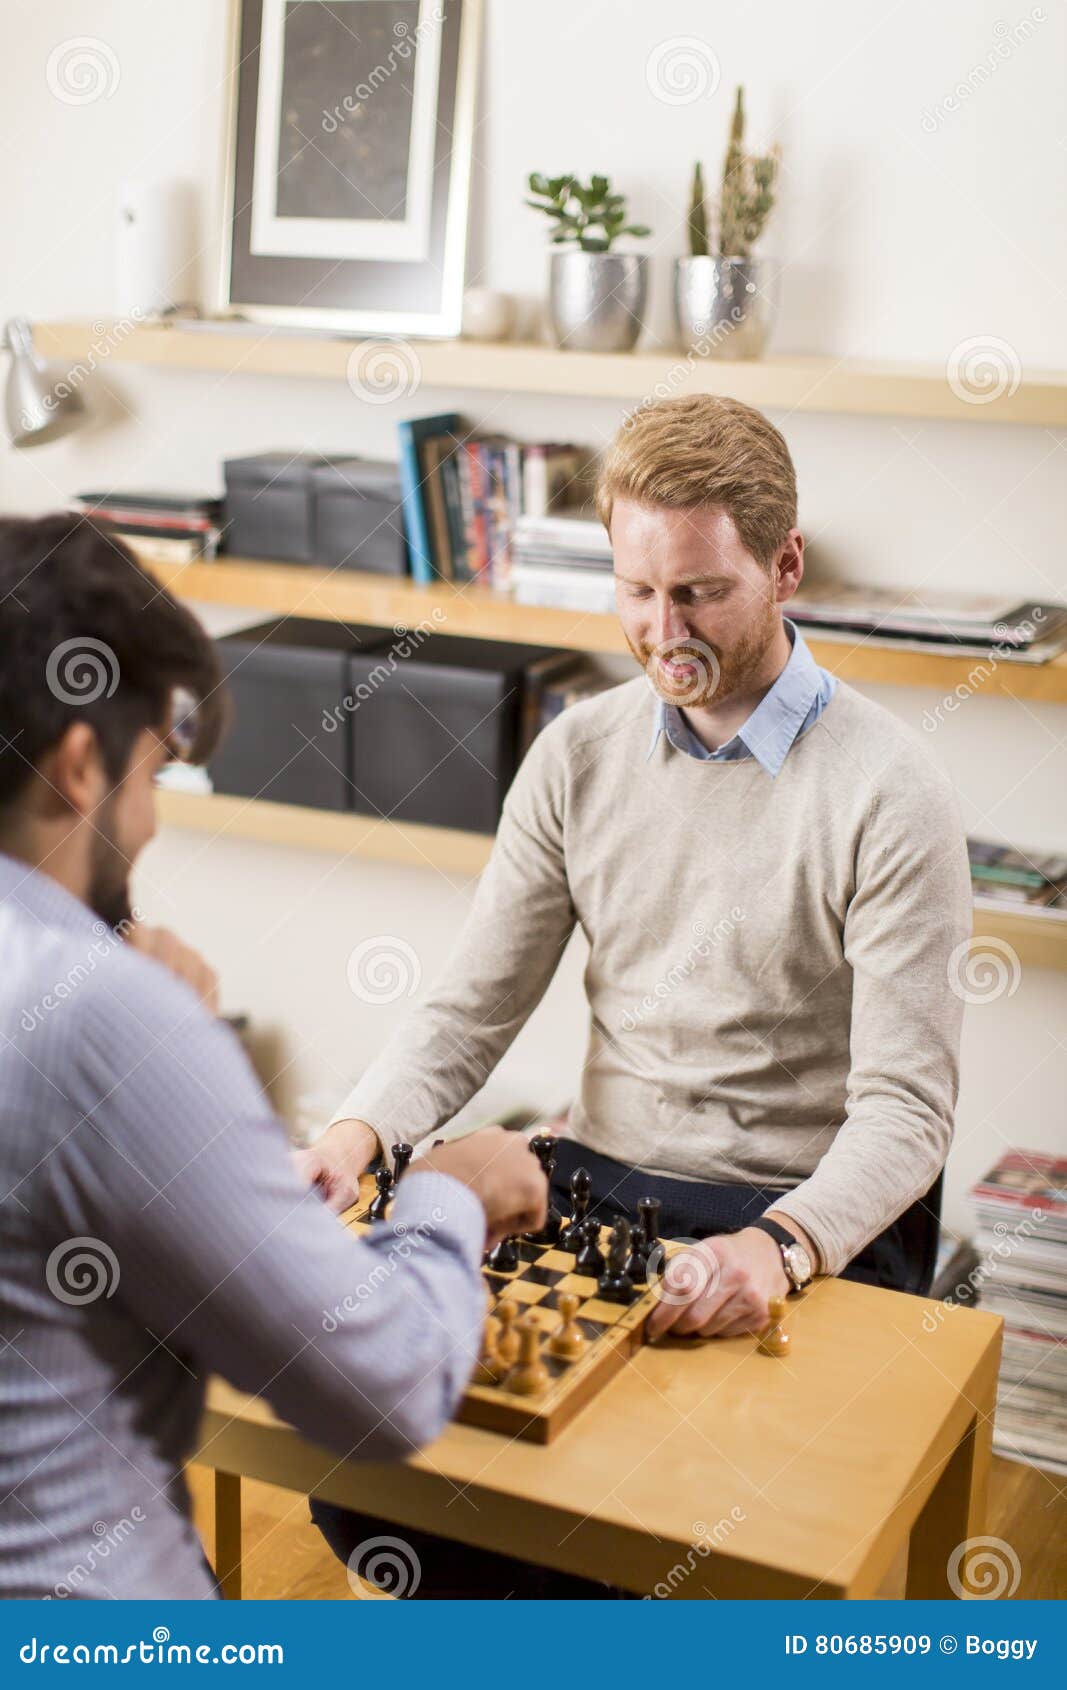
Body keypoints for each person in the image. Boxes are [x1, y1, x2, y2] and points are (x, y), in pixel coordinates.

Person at [300, 393, 973, 1594]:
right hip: (606, 1189)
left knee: (669, 1524)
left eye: (699, 593)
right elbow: (468, 1008)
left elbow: (905, 1113)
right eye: (635, 590)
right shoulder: (576, 753)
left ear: (783, 566)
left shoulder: (890, 790)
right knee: (367, 1486)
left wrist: (777, 1247)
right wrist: (353, 1136)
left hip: (802, 1219)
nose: (663, 632)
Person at [0, 514, 547, 1600]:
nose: (149, 824)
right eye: (151, 778)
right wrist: (449, 1195)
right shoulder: (102, 1020)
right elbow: (384, 1388)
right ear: (78, 768)